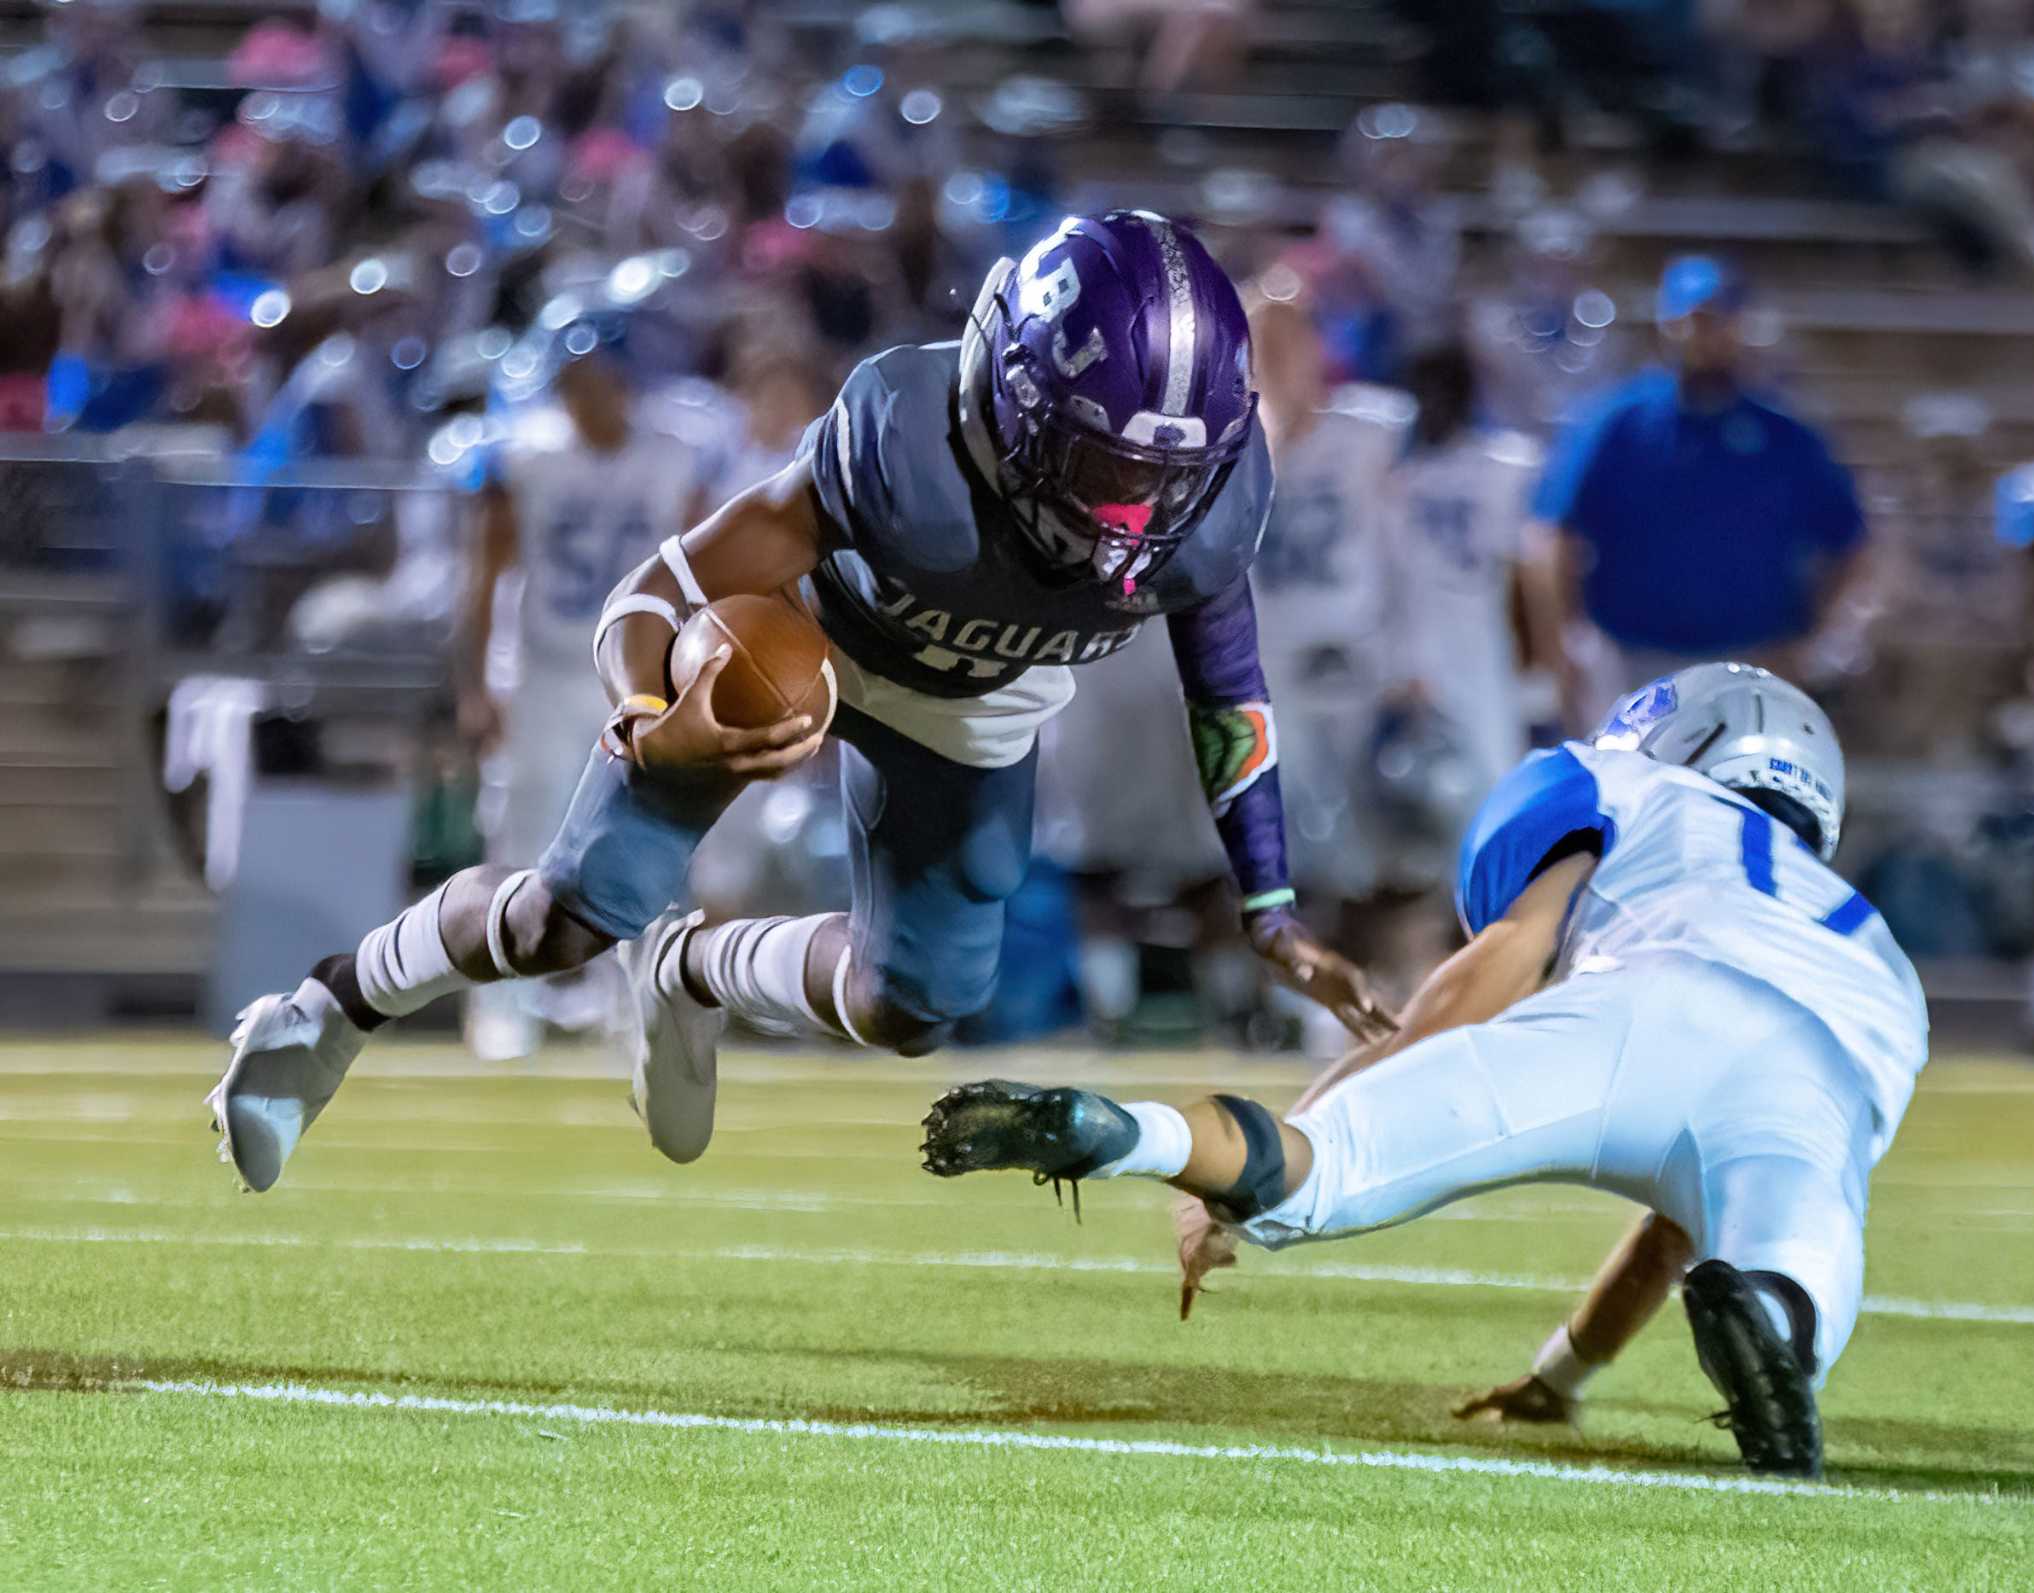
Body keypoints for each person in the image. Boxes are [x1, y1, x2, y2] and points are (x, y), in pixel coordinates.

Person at [208, 210, 1388, 1192]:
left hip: (973, 705)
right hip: (801, 642)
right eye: (1102, 466)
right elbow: (659, 586)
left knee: (916, 1004)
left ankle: (695, 968)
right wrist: (646, 713)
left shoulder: (1217, 502)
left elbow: (1227, 691)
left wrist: (1271, 904)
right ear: (1016, 398)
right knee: (567, 918)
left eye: (1163, 477)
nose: (1131, 515)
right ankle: (329, 1006)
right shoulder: (906, 442)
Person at [920, 663, 1929, 1478]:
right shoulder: (1874, 947)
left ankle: (1133, 1136)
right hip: (1820, 1066)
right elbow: (1674, 1229)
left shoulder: (1633, 786)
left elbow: (1502, 959)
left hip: (1644, 997)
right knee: (1782, 1260)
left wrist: (1320, 1110)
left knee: (1319, 1173)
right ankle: (1780, 1328)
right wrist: (1562, 1377)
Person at [458, 315, 723, 1061]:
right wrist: (476, 681)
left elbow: (708, 578)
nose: (585, 399)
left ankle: (629, 1002)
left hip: (639, 678)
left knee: (640, 843)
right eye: (573, 384)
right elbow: (484, 574)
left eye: (597, 381)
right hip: (544, 669)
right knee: (521, 837)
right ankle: (504, 1002)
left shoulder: (675, 459)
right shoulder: (528, 456)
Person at [1523, 256, 1869, 729]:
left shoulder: (1785, 436)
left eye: (1718, 320)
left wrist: (1813, 639)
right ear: (1668, 323)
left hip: (1750, 665)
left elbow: (1849, 542)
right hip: (1632, 662)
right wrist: (1560, 649)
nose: (1705, 336)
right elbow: (1551, 537)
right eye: (1693, 321)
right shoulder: (1619, 423)